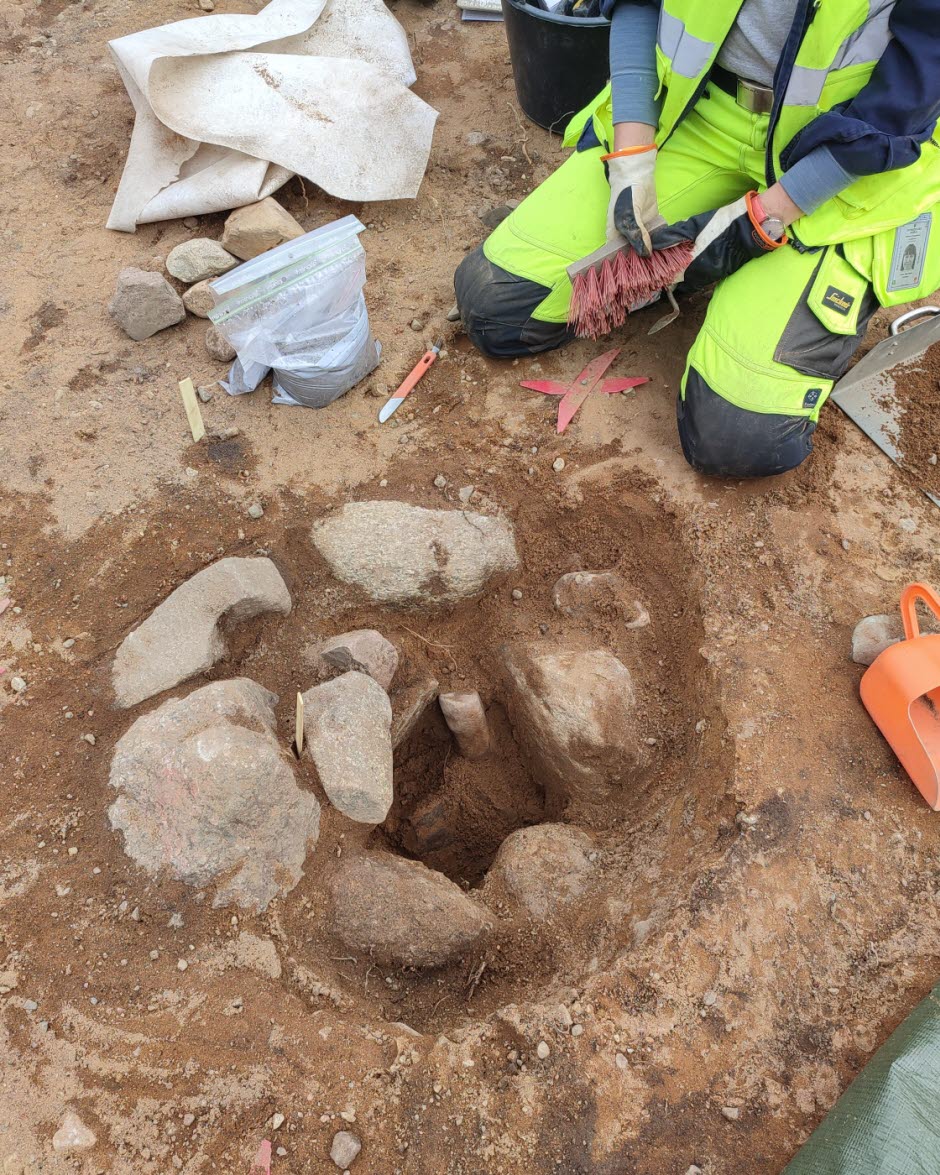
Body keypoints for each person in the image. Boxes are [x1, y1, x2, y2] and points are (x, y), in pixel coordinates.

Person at [454, 0, 940, 477]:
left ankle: (753, 276)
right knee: (496, 303)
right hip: (699, 118)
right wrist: (632, 157)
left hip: (853, 164)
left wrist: (766, 217)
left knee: (735, 437)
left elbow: (910, 92)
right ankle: (681, 272)